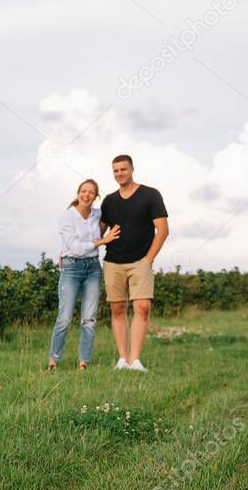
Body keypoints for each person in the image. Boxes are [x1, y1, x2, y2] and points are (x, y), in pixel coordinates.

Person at [99, 154, 170, 372]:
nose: (119, 173)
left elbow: (163, 230)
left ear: (132, 169)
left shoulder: (150, 194)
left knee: (143, 307)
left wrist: (148, 259)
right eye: (115, 171)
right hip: (113, 262)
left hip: (141, 261)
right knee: (118, 309)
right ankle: (123, 359)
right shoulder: (109, 201)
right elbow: (95, 233)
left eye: (123, 169)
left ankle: (135, 360)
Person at [48, 179, 120, 370]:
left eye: (91, 193)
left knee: (89, 319)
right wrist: (102, 241)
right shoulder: (67, 217)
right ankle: (54, 360)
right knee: (64, 318)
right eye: (83, 191)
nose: (86, 195)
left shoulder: (97, 214)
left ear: (96, 196)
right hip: (72, 268)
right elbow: (76, 248)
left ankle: (83, 362)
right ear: (78, 193)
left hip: (93, 269)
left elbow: (114, 215)